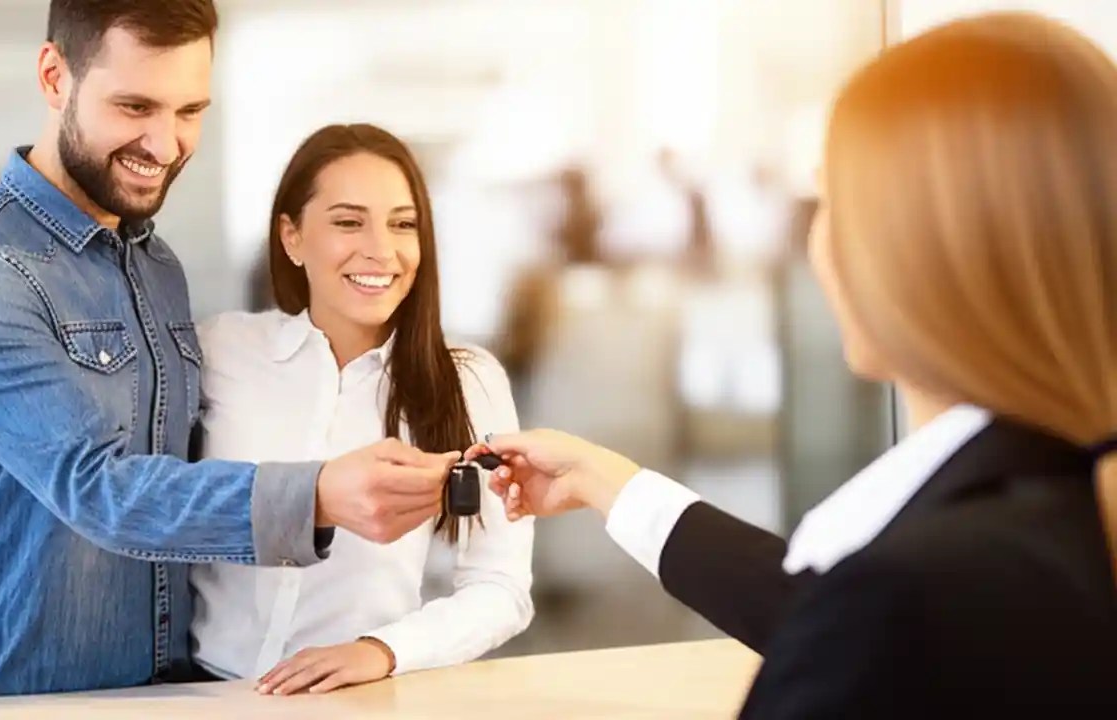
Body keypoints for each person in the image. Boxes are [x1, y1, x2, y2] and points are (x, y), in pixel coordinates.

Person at [467, 13, 1117, 716]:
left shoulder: (908, 603)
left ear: (912, 252)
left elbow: (857, 621)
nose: (816, 241)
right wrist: (607, 481)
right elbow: (815, 605)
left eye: (832, 203)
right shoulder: (1051, 519)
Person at [0, 0, 455, 700]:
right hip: (22, 698)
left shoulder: (155, 265)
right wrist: (316, 494)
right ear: (53, 76)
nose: (165, 145)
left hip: (172, 691)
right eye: (135, 106)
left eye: (190, 111)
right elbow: (96, 487)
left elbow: (173, 457)